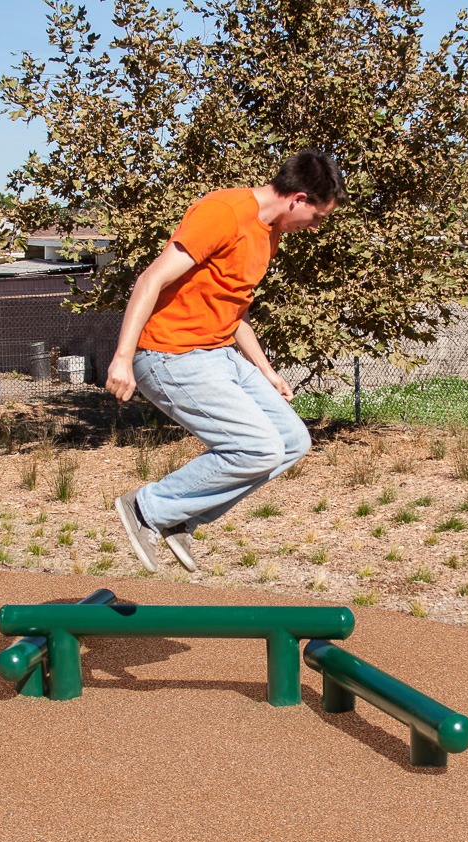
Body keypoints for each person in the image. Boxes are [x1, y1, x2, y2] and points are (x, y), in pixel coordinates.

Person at [105, 149, 347, 573]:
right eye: (318, 217)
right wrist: (123, 358)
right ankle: (147, 508)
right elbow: (151, 278)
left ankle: (182, 517)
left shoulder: (268, 231)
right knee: (257, 448)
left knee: (292, 441)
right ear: (299, 199)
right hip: (168, 354)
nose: (315, 228)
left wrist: (267, 372)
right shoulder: (223, 212)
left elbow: (234, 313)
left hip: (219, 355)